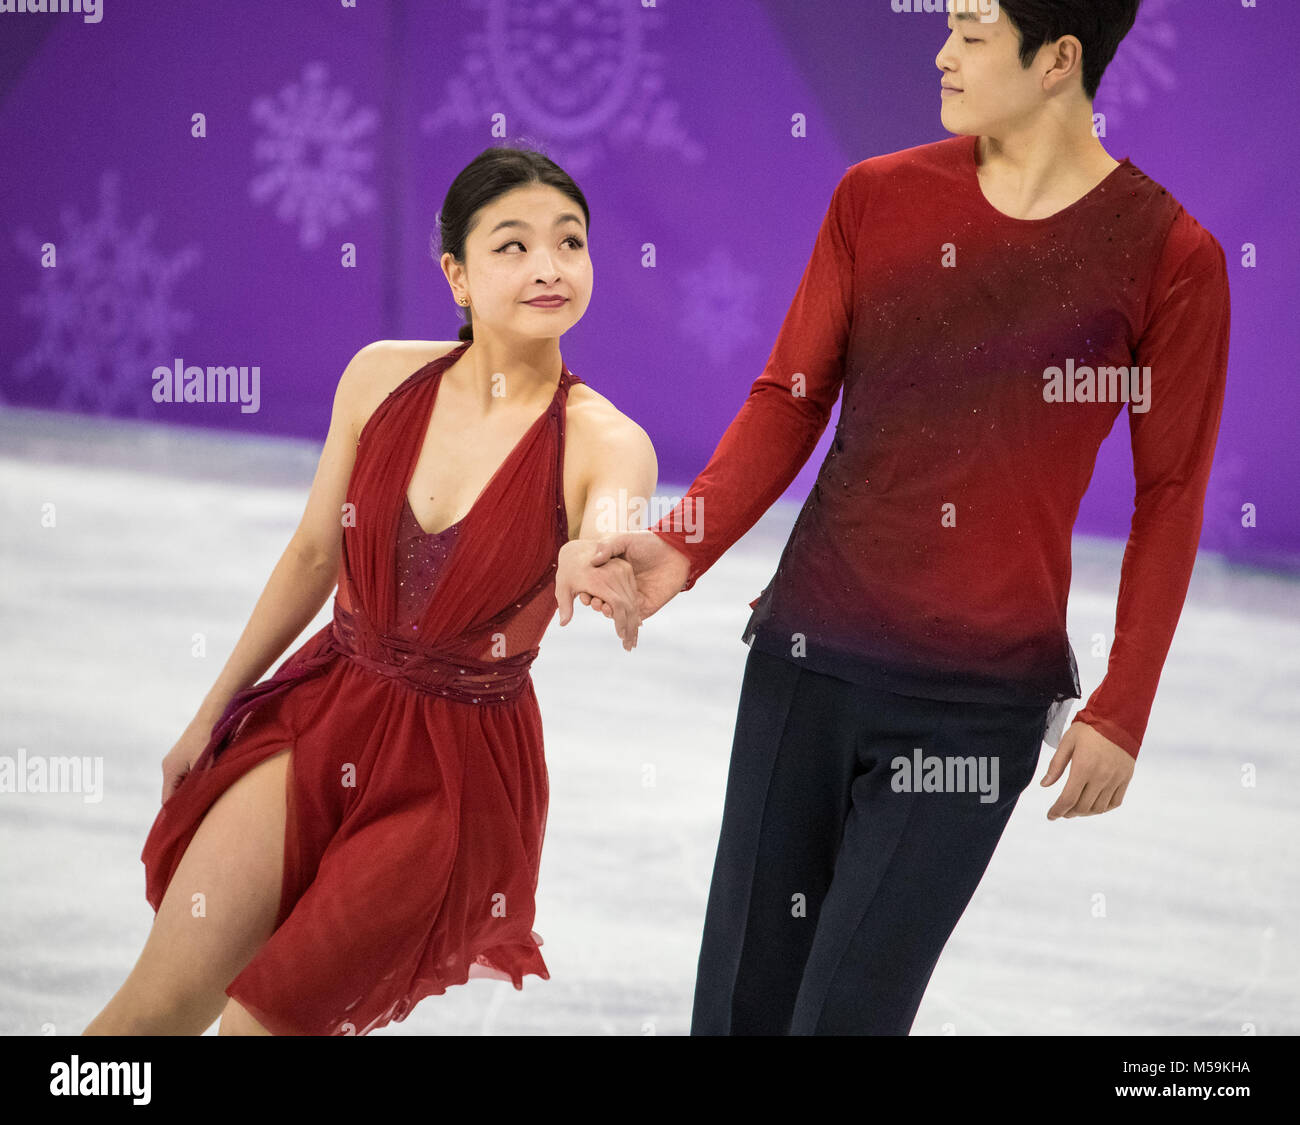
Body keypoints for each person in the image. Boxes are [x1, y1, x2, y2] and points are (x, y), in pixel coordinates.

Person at [568, 0, 1231, 1034]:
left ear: (1057, 59)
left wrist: (1124, 702)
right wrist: (680, 542)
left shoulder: (1168, 257)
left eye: (969, 33)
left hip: (976, 707)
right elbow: (791, 394)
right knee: (742, 1009)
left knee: (845, 1015)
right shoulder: (874, 196)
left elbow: (1173, 490)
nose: (940, 51)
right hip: (807, 661)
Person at [84, 145, 653, 1036]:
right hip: (321, 711)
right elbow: (314, 554)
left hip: (450, 772)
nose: (550, 266)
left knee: (258, 1029)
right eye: (512, 245)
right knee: (145, 1017)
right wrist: (211, 713)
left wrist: (593, 555)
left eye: (570, 241)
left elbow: (610, 519)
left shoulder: (605, 438)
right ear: (456, 275)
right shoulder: (379, 376)